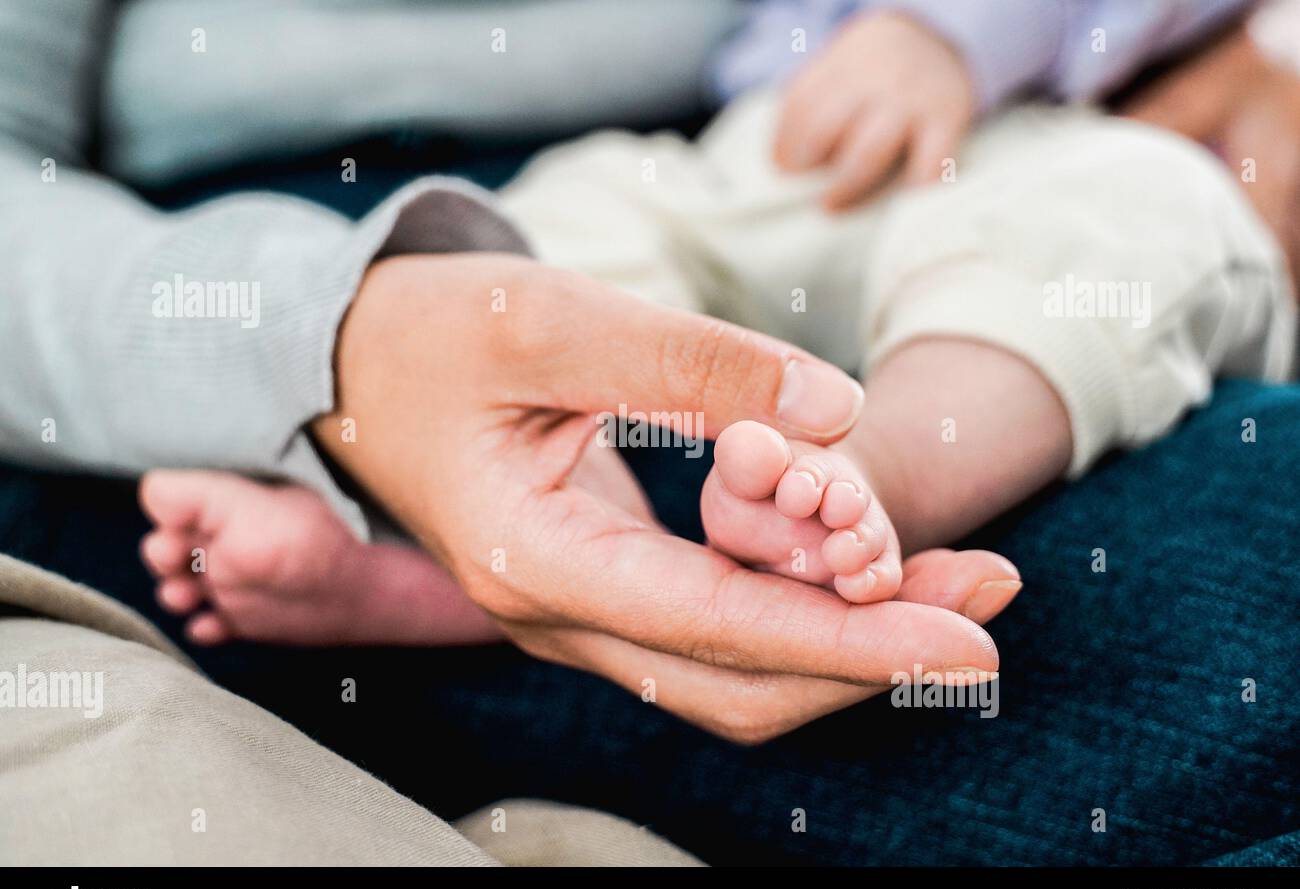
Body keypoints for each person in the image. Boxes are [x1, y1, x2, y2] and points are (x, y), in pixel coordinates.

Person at [137, 3, 1292, 696]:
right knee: (572, 224)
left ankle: (869, 481)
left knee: (1122, 230)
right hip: (772, 138)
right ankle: (511, 550)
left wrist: (952, 29)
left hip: (1066, 134)